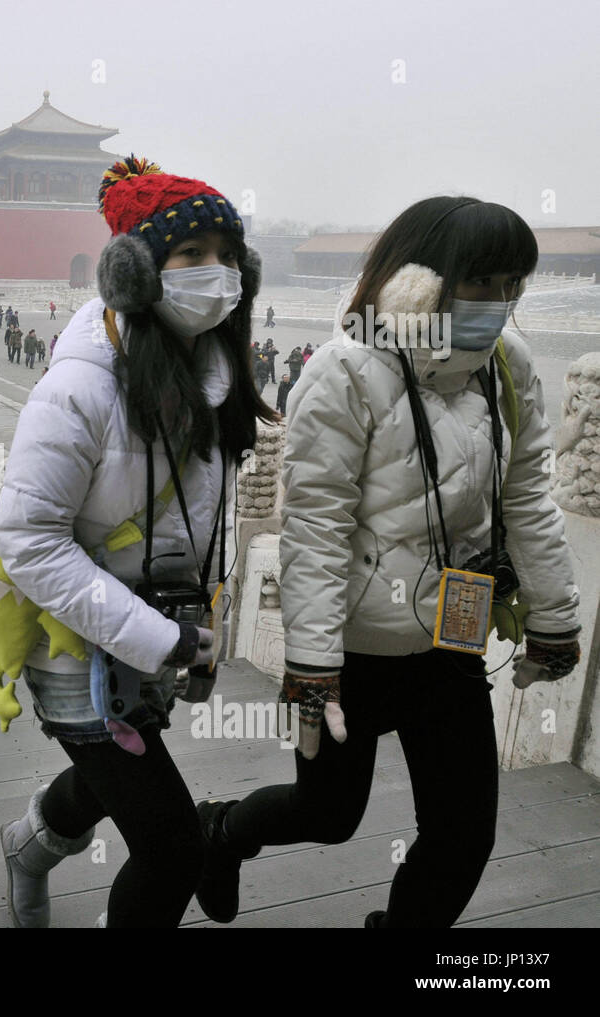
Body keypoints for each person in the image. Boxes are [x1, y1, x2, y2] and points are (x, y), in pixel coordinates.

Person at [197, 196, 582, 930]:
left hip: (449, 641)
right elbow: (315, 528)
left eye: (513, 285)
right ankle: (221, 831)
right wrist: (311, 664)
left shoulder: (507, 367)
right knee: (329, 813)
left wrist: (556, 619)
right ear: (417, 282)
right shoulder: (343, 374)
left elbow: (530, 496)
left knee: (465, 833)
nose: (500, 304)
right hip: (351, 653)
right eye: (483, 283)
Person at [0, 157, 274, 928]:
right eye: (191, 255)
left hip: (150, 644)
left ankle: (32, 842)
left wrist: (180, 634)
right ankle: (36, 845)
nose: (214, 273)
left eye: (226, 254)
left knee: (117, 769)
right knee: (173, 846)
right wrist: (160, 637)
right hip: (75, 648)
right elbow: (30, 538)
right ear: (137, 273)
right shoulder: (79, 388)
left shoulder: (214, 375)